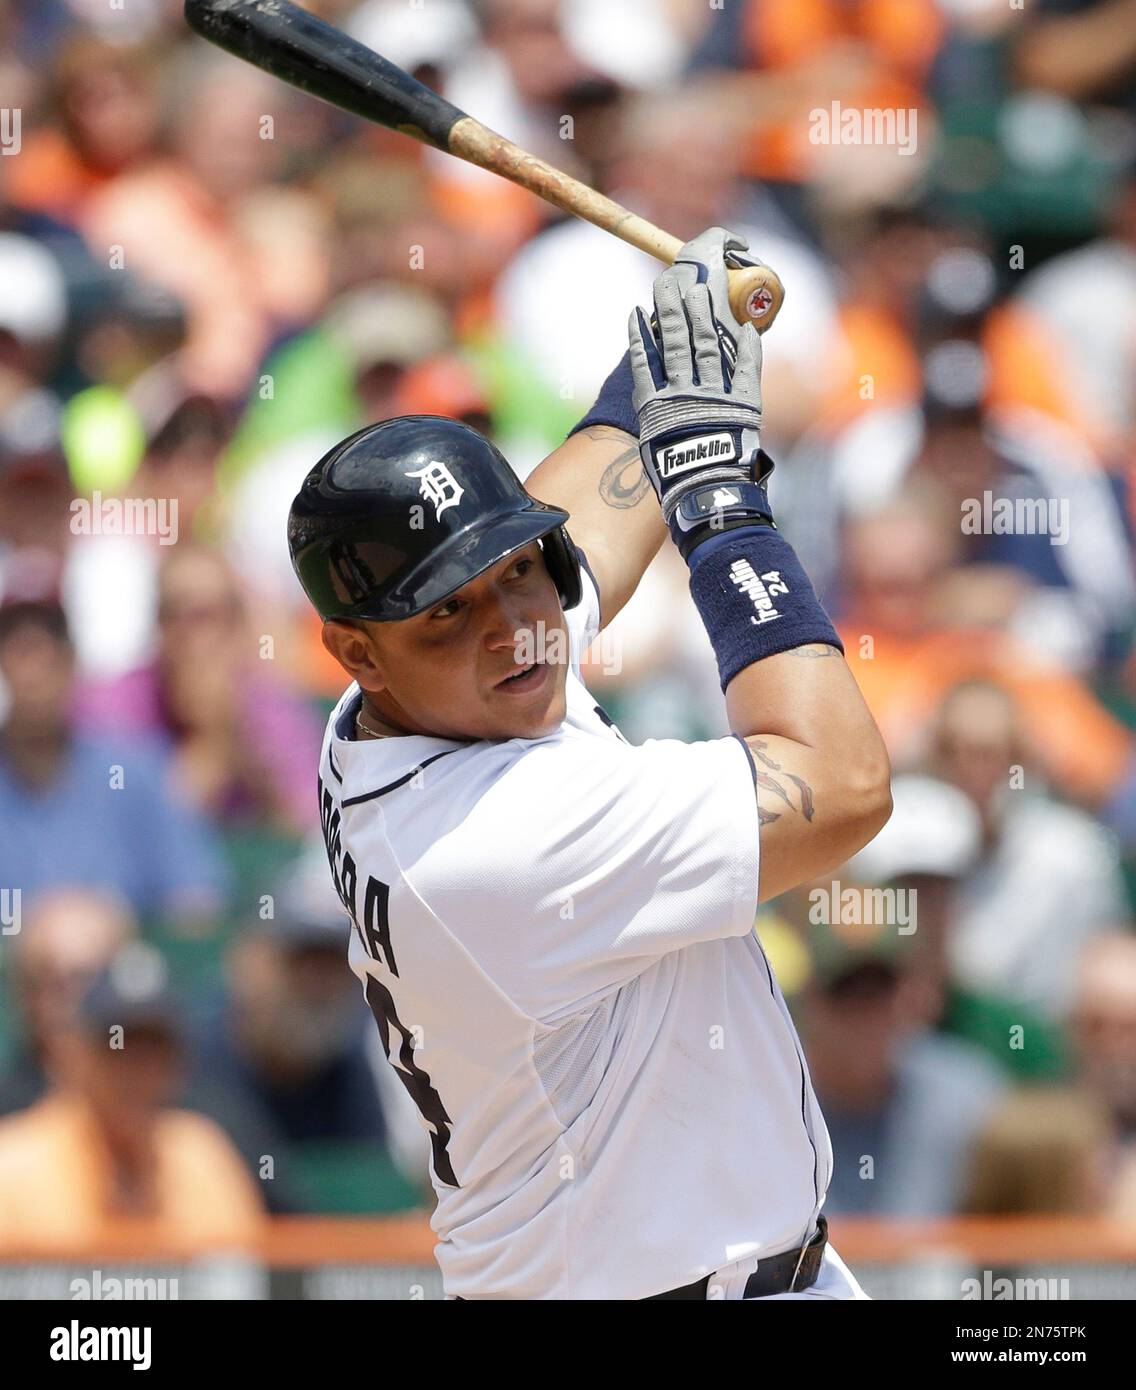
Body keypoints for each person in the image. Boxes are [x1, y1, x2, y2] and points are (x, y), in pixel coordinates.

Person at [289, 228, 891, 1299]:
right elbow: (840, 782)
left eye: (517, 571)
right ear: (357, 651)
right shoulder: (494, 839)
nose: (515, 627)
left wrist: (671, 335)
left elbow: (591, 503)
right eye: (449, 612)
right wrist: (722, 504)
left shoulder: (412, 702)